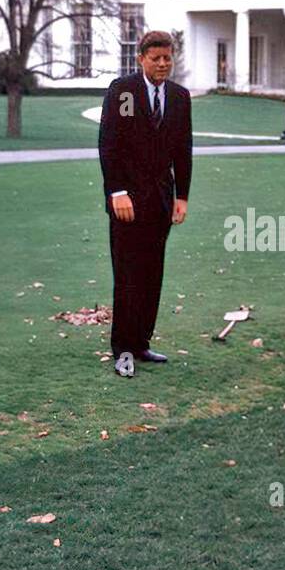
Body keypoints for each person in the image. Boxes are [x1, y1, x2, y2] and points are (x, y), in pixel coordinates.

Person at [98, 30, 192, 377]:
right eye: (156, 58)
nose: (163, 64)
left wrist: (182, 195)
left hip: (161, 202)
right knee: (127, 274)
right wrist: (116, 190)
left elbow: (183, 151)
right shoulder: (124, 93)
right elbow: (110, 144)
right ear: (141, 59)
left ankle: (141, 343)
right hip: (127, 201)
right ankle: (122, 348)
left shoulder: (180, 98)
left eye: (168, 58)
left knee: (153, 272)